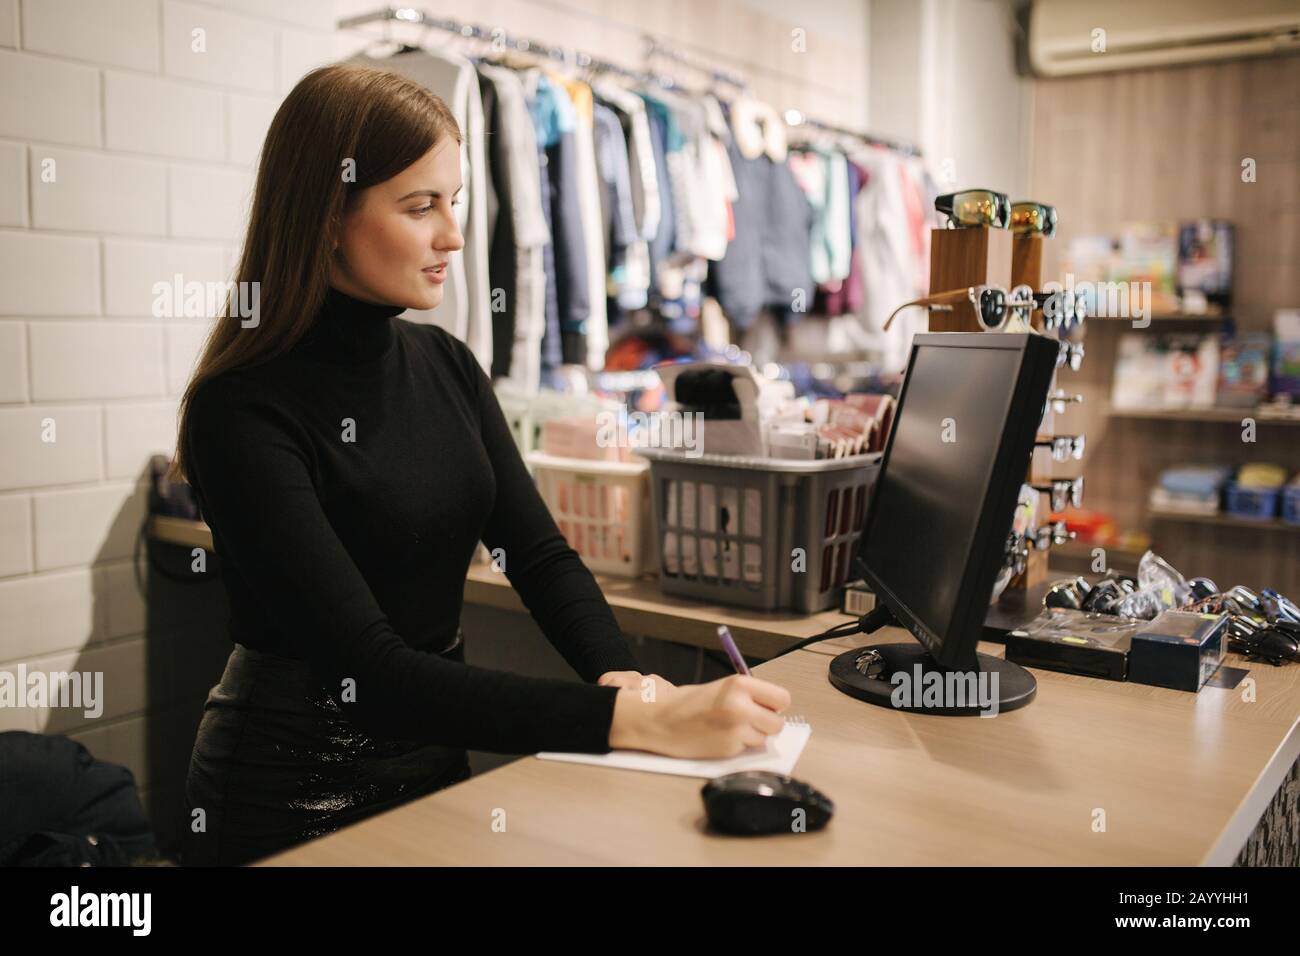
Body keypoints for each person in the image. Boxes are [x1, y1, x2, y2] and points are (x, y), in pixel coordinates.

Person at [171, 64, 791, 866]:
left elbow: (537, 555)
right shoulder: (243, 409)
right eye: (420, 205)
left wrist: (633, 684)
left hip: (436, 762)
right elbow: (373, 670)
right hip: (289, 796)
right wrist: (626, 723)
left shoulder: (445, 363)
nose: (454, 237)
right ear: (328, 214)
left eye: (454, 201)